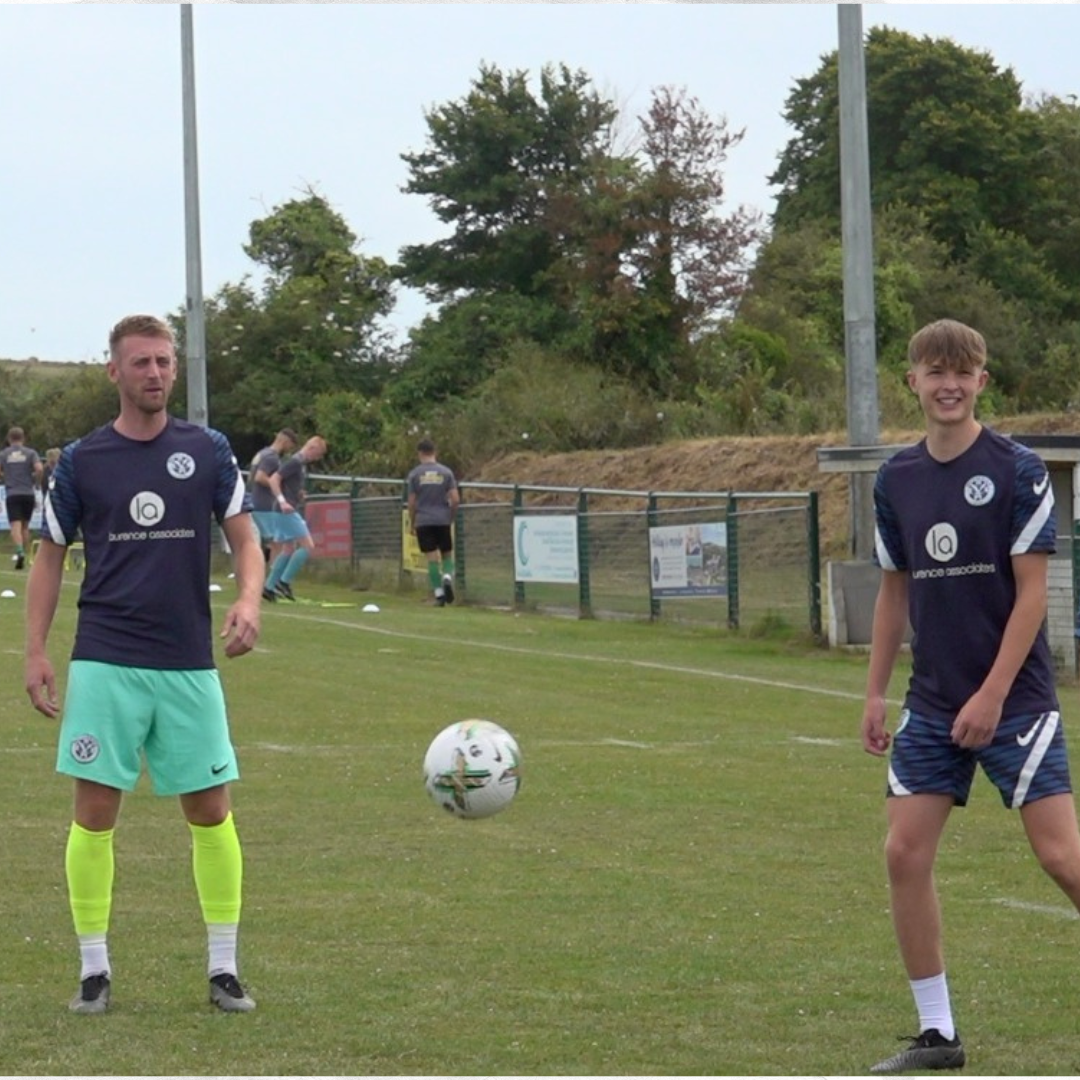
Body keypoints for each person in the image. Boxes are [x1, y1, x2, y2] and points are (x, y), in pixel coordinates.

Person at [24, 313, 265, 1016]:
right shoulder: (82, 460)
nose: (155, 373)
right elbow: (48, 559)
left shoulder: (208, 449)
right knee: (95, 813)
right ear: (114, 372)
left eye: (164, 361)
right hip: (105, 659)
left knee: (211, 810)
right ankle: (93, 971)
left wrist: (249, 599)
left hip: (188, 662)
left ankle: (224, 969)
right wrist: (35, 651)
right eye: (141, 363)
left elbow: (247, 540)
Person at [861, 319, 1080, 1074]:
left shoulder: (1018, 470)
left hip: (1014, 703)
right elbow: (894, 592)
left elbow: (1032, 595)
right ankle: (937, 1035)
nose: (948, 384)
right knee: (903, 852)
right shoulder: (895, 478)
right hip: (931, 702)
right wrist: (874, 693)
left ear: (982, 381)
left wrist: (990, 694)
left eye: (963, 372)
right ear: (913, 382)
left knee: (1062, 858)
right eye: (935, 371)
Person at [264, 435, 327, 601]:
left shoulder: (300, 465)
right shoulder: (295, 462)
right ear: (312, 448)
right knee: (308, 545)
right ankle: (283, 582)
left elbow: (287, 483)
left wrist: (298, 494)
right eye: (317, 455)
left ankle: (269, 587)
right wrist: (283, 501)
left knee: (288, 549)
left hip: (284, 509)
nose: (316, 459)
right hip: (285, 510)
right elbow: (274, 479)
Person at [406, 437, 460, 606]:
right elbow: (455, 499)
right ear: (435, 452)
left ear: (420, 453)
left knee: (431, 558)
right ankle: (447, 577)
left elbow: (412, 502)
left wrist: (412, 521)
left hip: (423, 520)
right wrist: (451, 517)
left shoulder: (415, 474)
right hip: (442, 519)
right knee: (446, 553)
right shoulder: (446, 473)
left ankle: (439, 594)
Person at [248, 428, 297, 602]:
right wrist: (278, 486)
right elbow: (260, 477)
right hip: (265, 505)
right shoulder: (271, 457)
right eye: (290, 445)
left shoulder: (262, 453)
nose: (289, 450)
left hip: (258, 502)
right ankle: (271, 584)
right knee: (278, 544)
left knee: (273, 544)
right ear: (285, 441)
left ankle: (269, 584)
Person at [0, 426, 44, 569]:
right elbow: (39, 468)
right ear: (23, 438)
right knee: (25, 526)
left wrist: (6, 476)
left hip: (13, 492)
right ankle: (23, 553)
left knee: (15, 525)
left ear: (9, 439)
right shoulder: (30, 453)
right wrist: (36, 481)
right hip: (28, 492)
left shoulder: (4, 454)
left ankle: (19, 551)